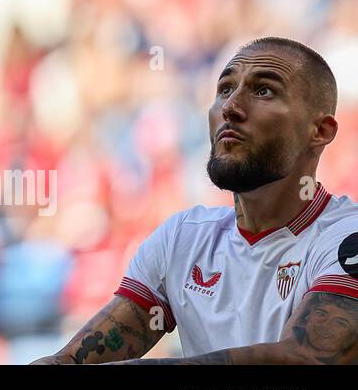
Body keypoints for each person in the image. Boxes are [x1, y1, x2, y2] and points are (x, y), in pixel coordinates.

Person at [35, 37, 358, 364]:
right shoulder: (183, 238)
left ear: (320, 131)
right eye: (225, 89)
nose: (231, 107)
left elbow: (308, 359)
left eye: (264, 91)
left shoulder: (347, 238)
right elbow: (74, 361)